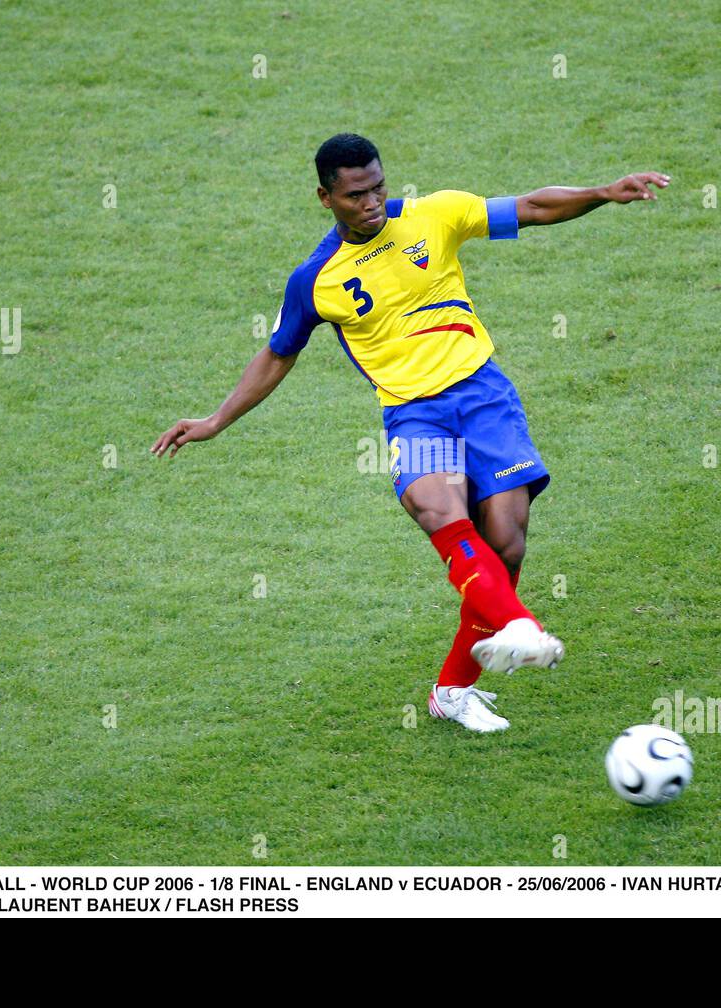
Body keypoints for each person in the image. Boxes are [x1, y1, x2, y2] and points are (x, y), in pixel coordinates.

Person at [152, 133, 669, 732]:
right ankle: (521, 626)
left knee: (506, 543)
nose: (371, 202)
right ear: (325, 197)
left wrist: (604, 193)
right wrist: (215, 420)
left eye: (377, 187)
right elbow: (276, 355)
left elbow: (530, 207)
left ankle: (453, 691)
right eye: (354, 195)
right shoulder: (315, 280)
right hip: (414, 413)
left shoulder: (434, 214)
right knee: (435, 506)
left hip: (484, 398)